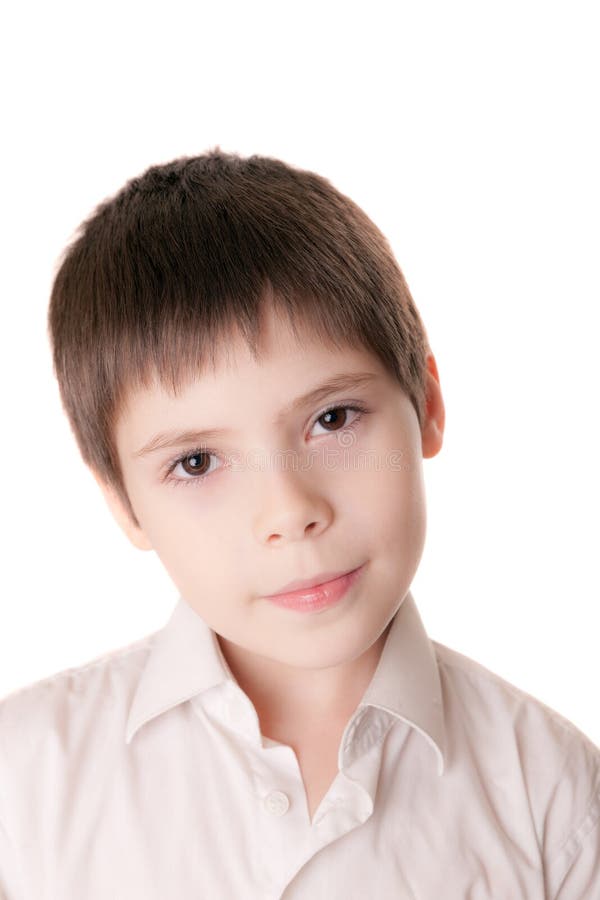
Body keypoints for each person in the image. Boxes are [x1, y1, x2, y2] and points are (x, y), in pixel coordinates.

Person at [0, 149, 598, 899]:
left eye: (332, 418)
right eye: (196, 463)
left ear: (428, 407)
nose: (289, 512)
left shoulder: (554, 798)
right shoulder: (22, 785)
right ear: (122, 502)